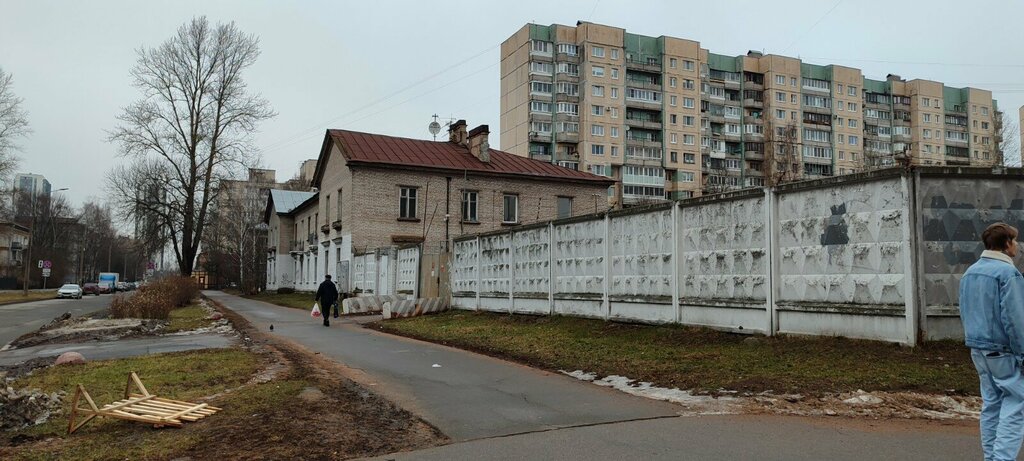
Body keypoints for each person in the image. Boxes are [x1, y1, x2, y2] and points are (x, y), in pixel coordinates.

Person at [960, 222, 1024, 461]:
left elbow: (964, 310)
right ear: (1006, 244)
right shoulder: (1008, 273)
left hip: (978, 349)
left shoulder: (971, 272)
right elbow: (1016, 320)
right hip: (1003, 351)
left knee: (991, 405)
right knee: (1016, 405)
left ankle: (992, 457)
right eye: (1015, 241)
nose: (1017, 245)